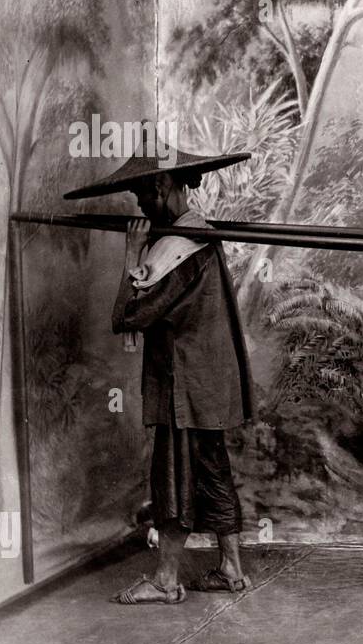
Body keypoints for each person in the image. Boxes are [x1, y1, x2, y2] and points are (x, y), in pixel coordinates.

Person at [63, 136, 254, 604]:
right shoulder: (196, 234)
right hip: (206, 380)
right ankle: (231, 570)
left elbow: (128, 317)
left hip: (184, 383)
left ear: (165, 185)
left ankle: (167, 580)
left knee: (173, 475)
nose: (141, 204)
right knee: (213, 469)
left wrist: (131, 256)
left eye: (145, 194)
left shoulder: (177, 249)